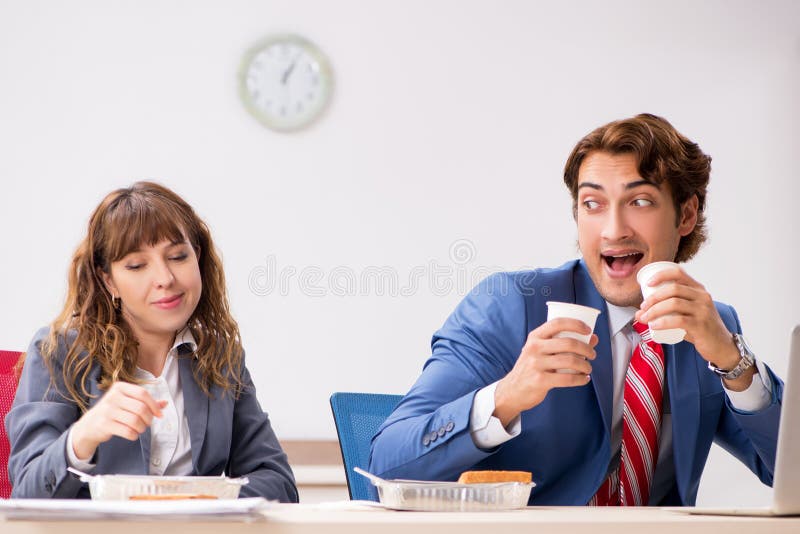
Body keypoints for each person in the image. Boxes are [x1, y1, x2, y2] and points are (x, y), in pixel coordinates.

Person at [369, 114, 782, 506]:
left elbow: (786, 470)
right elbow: (386, 465)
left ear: (686, 214)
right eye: (592, 203)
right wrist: (507, 396)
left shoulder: (711, 327)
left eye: (639, 201)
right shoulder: (509, 306)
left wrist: (733, 362)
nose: (614, 229)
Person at [6, 182, 298, 501]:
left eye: (177, 256)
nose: (165, 278)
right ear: (109, 281)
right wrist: (82, 437)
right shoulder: (59, 351)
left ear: (197, 258)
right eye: (136, 265)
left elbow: (277, 482)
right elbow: (27, 493)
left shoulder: (221, 355)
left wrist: (200, 500)